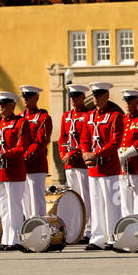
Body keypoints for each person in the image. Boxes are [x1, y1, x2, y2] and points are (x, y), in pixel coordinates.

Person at [80, 82, 124, 250]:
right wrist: (85, 152)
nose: (96, 99)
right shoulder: (89, 116)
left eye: (100, 95)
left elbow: (115, 142)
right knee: (96, 204)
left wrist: (96, 154)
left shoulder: (114, 116)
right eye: (95, 95)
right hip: (93, 169)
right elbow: (84, 138)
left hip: (109, 168)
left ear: (107, 96)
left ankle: (114, 238)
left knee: (112, 205)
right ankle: (97, 239)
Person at [0, 92, 31, 251]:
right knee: (4, 206)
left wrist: (3, 155)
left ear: (13, 105)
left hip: (14, 171)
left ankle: (16, 238)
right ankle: (6, 238)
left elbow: (21, 147)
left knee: (14, 206)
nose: (1, 107)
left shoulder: (21, 123)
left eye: (4, 104)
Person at [58, 84, 91, 240]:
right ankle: (75, 228)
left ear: (83, 97)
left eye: (76, 96)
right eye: (71, 97)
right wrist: (64, 154)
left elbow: (86, 139)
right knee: (73, 198)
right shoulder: (66, 116)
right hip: (69, 164)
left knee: (85, 197)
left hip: (81, 164)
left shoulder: (88, 115)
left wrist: (73, 154)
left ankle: (88, 228)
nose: (73, 99)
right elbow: (62, 138)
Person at [117, 90, 138, 216]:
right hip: (123, 169)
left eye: (130, 100)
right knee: (125, 205)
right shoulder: (121, 120)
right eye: (125, 100)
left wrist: (125, 153)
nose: (127, 103)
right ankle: (128, 230)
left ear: (137, 101)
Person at [20, 86, 53, 221]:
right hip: (21, 166)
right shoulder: (19, 117)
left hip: (36, 164)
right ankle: (28, 228)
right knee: (25, 201)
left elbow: (40, 142)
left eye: (29, 97)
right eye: (24, 97)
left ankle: (40, 228)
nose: (26, 100)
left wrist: (25, 156)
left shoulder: (43, 118)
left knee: (36, 200)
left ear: (36, 98)